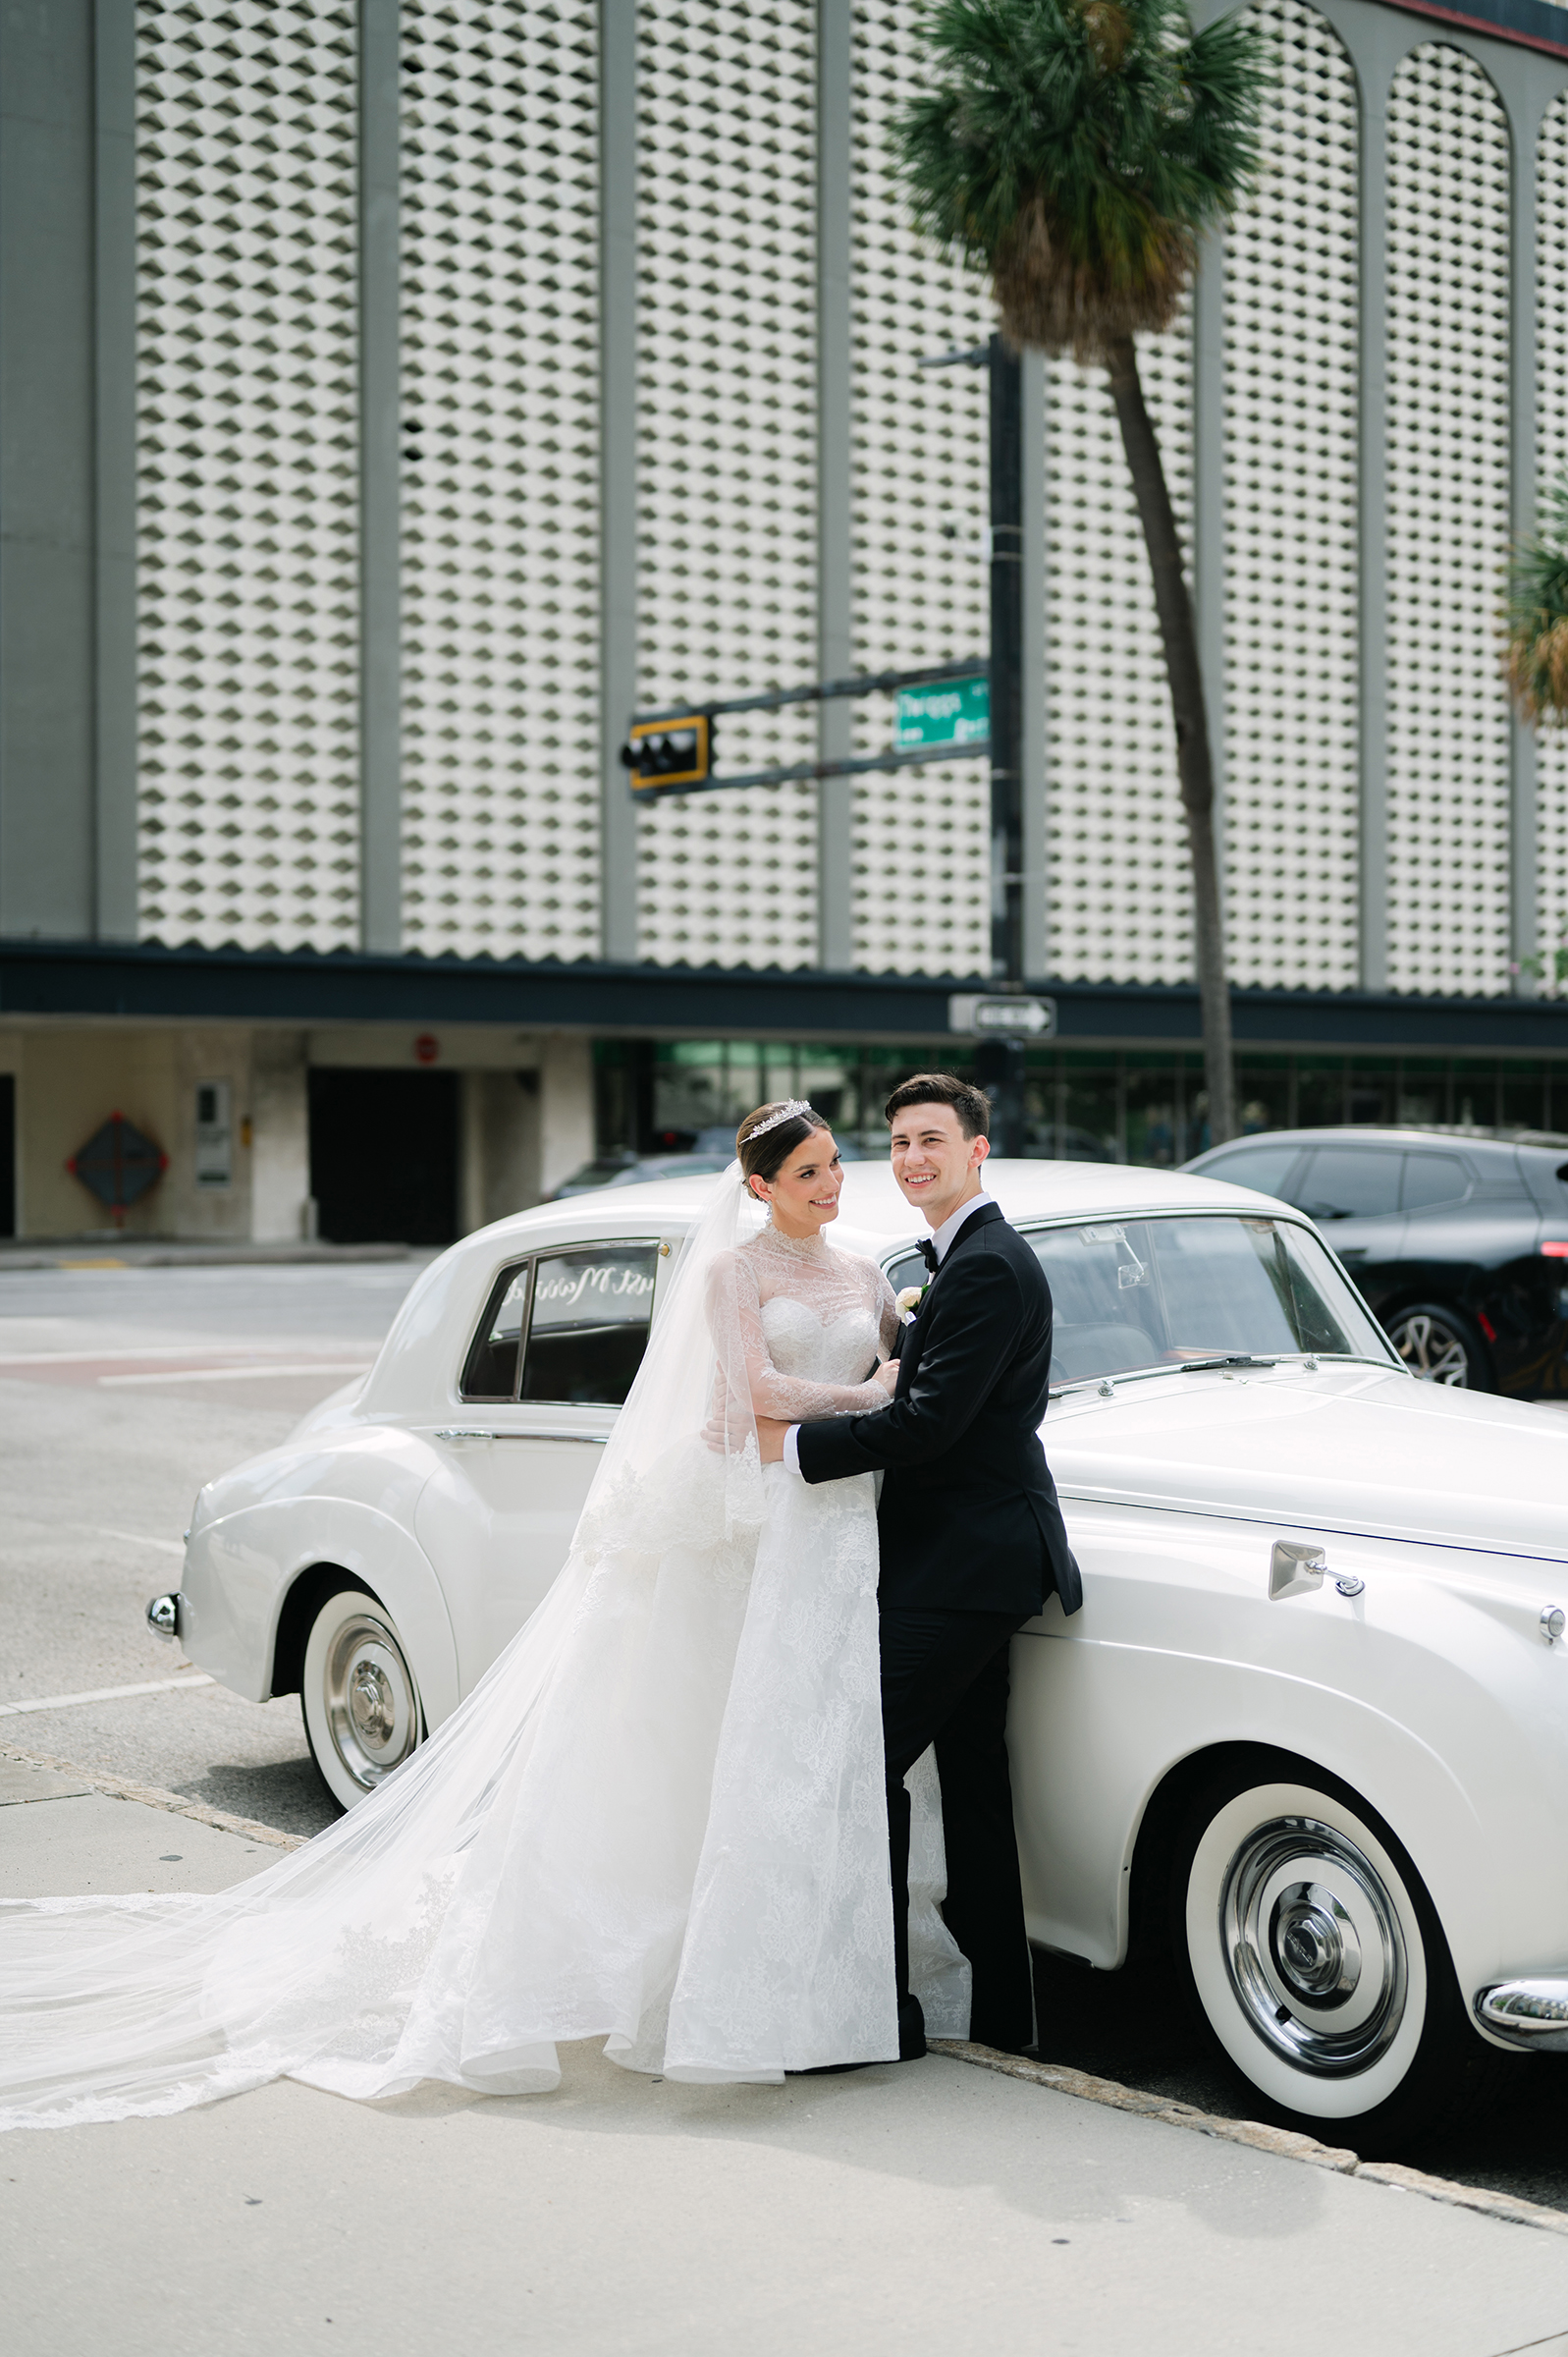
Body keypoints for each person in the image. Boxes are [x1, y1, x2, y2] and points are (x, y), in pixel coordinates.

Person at [0, 1102, 970, 2131]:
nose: (832, 1185)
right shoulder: (733, 1273)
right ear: (762, 1186)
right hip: (750, 1518)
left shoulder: (868, 1277)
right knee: (702, 1745)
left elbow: (913, 1360)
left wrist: (903, 1369)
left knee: (811, 1750)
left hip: (835, 1531)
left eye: (833, 1168)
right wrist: (877, 1394)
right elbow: (746, 1396)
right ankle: (703, 1980)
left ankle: (814, 1976)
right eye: (811, 1171)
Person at [761, 1072, 1081, 2060]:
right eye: (898, 1143)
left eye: (931, 1141)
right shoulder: (953, 1259)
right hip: (970, 1556)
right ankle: (1000, 2023)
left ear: (976, 1149)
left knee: (860, 1767)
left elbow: (932, 1425)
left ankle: (876, 2013)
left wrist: (796, 1452)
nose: (911, 1160)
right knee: (977, 1789)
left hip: (967, 1563)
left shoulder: (985, 1265)